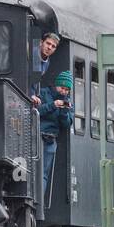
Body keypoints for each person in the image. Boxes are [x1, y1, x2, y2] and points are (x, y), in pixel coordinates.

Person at [37, 70, 73, 200]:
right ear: (57, 85)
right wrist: (53, 105)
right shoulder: (43, 93)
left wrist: (64, 111)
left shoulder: (67, 101)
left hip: (51, 140)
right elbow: (37, 111)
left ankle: (39, 203)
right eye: (62, 88)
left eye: (67, 90)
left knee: (44, 174)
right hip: (37, 136)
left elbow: (67, 124)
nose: (64, 92)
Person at [30, 31, 60, 104]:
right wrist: (30, 94)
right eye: (48, 43)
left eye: (53, 46)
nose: (49, 47)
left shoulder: (47, 62)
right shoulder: (31, 55)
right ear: (41, 42)